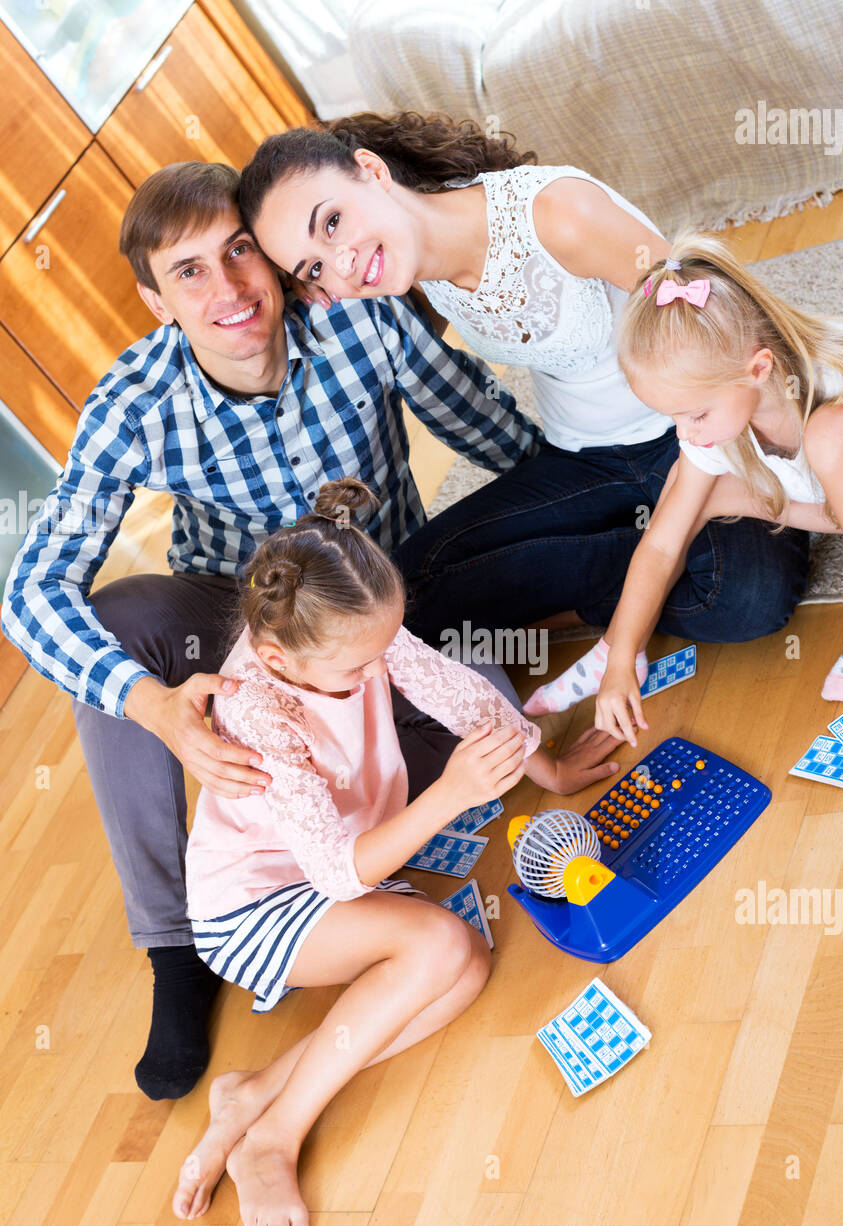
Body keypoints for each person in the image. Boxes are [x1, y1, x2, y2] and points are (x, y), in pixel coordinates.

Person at [0, 159, 547, 1102]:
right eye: (190, 273)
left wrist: (609, 503)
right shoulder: (134, 402)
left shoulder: (354, 310)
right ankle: (178, 943)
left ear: (271, 250)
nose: (229, 290)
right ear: (155, 298)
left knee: (493, 708)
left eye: (240, 251)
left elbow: (486, 427)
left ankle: (332, 838)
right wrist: (158, 709)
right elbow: (31, 591)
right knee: (116, 626)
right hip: (233, 623)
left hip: (383, 611)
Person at [172, 478, 620, 1226]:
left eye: (388, 646)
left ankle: (255, 1090)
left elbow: (461, 698)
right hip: (258, 905)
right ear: (279, 657)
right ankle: (271, 1138)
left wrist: (545, 769)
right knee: (442, 949)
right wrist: (449, 793)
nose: (380, 669)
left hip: (343, 871)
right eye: (360, 665)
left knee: (467, 968)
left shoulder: (355, 632)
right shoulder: (258, 709)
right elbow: (336, 874)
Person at [234, 112, 815, 695]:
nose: (342, 266)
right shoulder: (408, 274)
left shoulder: (558, 215)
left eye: (331, 222)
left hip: (698, 438)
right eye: (313, 267)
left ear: (371, 170)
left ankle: (643, 569)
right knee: (405, 593)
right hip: (586, 458)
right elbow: (435, 392)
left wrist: (798, 443)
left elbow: (718, 318)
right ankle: (647, 565)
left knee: (747, 599)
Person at [572, 233, 843, 746]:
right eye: (673, 416)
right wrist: (620, 657)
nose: (684, 432)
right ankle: (616, 642)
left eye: (695, 413)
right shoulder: (721, 411)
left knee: (832, 432)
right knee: (701, 489)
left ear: (759, 369)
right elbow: (660, 543)